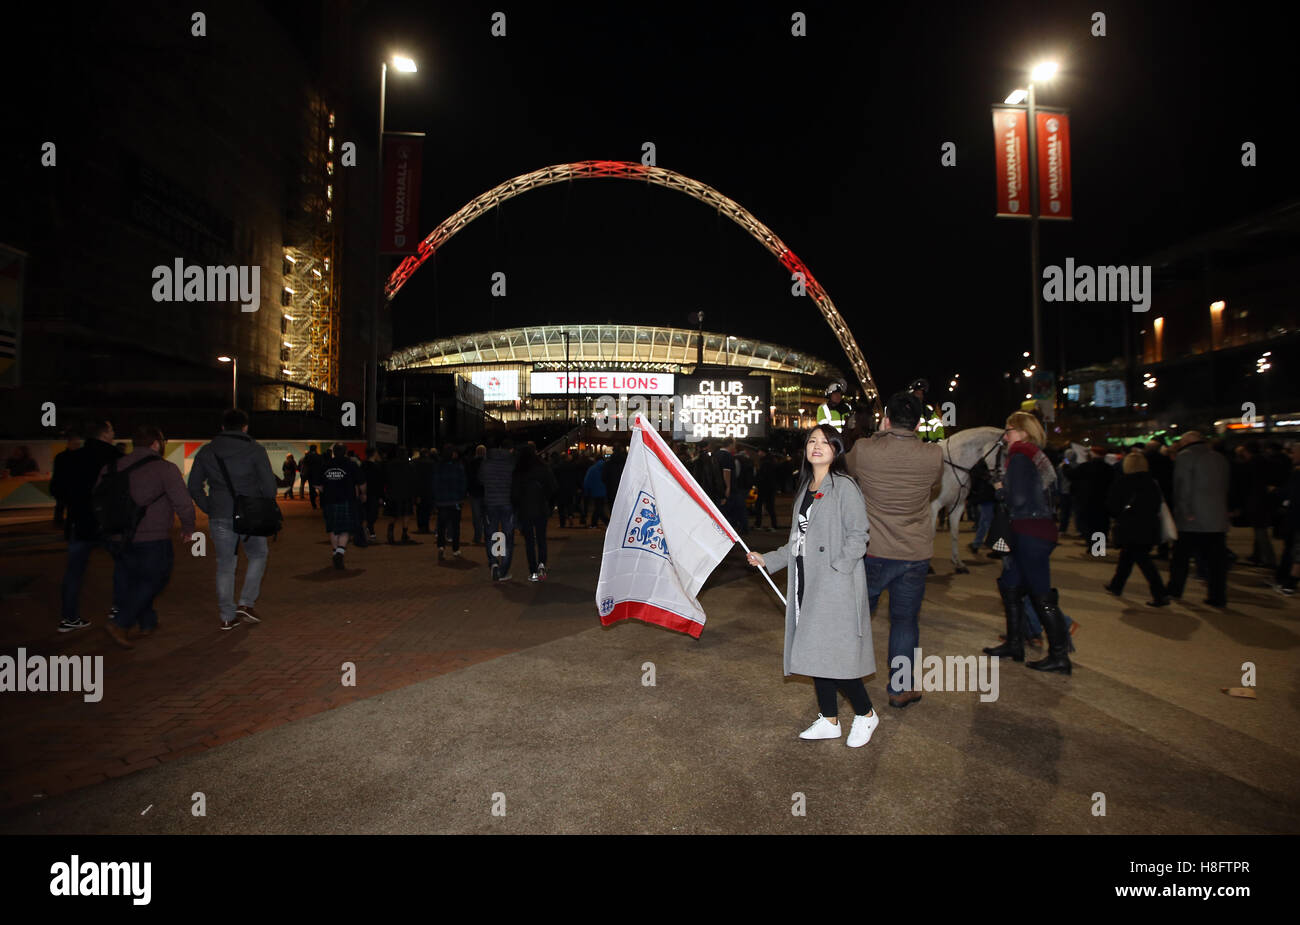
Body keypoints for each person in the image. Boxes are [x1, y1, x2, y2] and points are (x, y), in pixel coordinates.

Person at [746, 425, 878, 747]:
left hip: (835, 584)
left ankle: (866, 713)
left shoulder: (844, 486)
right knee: (816, 650)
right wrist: (770, 559)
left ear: (836, 450)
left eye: (824, 442)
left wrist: (839, 568)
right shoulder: (806, 486)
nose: (816, 446)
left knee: (838, 655)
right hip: (806, 581)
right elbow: (797, 539)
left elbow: (859, 533)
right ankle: (829, 719)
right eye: (811, 441)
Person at [845, 390, 944, 707]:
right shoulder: (933, 455)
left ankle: (844, 675)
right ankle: (901, 688)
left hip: (872, 550)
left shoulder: (865, 449)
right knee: (905, 622)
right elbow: (934, 486)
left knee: (858, 617)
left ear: (886, 419)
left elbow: (848, 472)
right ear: (917, 425)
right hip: (914, 554)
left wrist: (879, 434)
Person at [982, 411, 1069, 673]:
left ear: (1022, 431)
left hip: (1029, 531)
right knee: (1011, 586)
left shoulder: (1019, 456)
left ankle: (1059, 655)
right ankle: (1014, 643)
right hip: (1036, 530)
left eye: (1008, 430)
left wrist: (1000, 489)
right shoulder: (1035, 455)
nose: (1005, 436)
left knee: (1041, 594)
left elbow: (1017, 500)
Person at [99, 425, 196, 648]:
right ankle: (120, 622)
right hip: (151, 536)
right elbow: (183, 502)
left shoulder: (112, 467)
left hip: (117, 535)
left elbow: (99, 499)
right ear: (156, 444)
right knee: (155, 577)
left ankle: (147, 621)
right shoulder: (164, 468)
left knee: (132, 578)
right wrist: (188, 527)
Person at [186, 408, 278, 630]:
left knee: (225, 564)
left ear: (222, 427)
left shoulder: (207, 451)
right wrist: (262, 501)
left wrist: (209, 506)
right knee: (258, 555)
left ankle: (227, 615)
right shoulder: (255, 450)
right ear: (245, 427)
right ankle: (246, 603)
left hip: (220, 513)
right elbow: (270, 487)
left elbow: (194, 486)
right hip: (250, 513)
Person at [55, 420, 123, 633]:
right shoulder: (116, 458)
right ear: (104, 434)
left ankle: (69, 617)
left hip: (80, 521)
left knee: (74, 571)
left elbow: (57, 489)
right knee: (124, 565)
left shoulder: (70, 459)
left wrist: (76, 505)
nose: (114, 433)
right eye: (112, 430)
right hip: (110, 524)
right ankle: (119, 609)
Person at [1166, 430, 1230, 607]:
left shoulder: (1185, 456)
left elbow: (1182, 486)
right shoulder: (1219, 457)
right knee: (1216, 562)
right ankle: (1218, 596)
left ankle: (1174, 590)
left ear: (1187, 441)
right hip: (1217, 517)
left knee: (1181, 558)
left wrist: (1184, 510)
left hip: (1193, 518)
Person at [1103, 451, 1171, 606]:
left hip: (1130, 526)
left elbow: (1112, 506)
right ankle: (1116, 585)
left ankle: (1160, 593)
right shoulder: (1152, 483)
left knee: (1142, 561)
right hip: (1148, 526)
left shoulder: (1123, 482)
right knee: (1128, 557)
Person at [513, 444, 557, 581]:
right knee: (541, 538)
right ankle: (542, 565)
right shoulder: (543, 467)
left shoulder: (519, 470)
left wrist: (517, 506)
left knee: (529, 542)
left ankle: (532, 571)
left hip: (525, 510)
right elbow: (553, 487)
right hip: (540, 508)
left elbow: (514, 493)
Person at [320, 443, 364, 570]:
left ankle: (335, 553)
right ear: (345, 452)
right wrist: (363, 493)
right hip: (347, 500)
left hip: (329, 501)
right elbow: (361, 483)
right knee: (345, 529)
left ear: (333, 452)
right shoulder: (351, 465)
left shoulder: (325, 465)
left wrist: (327, 490)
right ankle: (340, 553)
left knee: (333, 529)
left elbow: (317, 485)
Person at [480, 437, 518, 580]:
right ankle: (503, 569)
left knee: (493, 534)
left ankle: (494, 563)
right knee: (507, 536)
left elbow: (481, 480)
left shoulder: (486, 463)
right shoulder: (511, 464)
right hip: (507, 502)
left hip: (490, 502)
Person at [433, 445, 468, 559]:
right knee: (455, 525)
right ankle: (455, 549)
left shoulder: (438, 467)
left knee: (441, 525)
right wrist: (462, 497)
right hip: (455, 500)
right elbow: (462, 483)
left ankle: (441, 546)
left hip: (442, 501)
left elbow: (435, 484)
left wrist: (436, 498)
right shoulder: (458, 467)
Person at [383, 446, 418, 545]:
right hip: (406, 493)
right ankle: (404, 533)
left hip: (392, 493)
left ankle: (390, 532)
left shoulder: (389, 465)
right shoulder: (410, 465)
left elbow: (386, 478)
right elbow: (413, 480)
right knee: (406, 514)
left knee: (393, 514)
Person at [50, 430, 85, 525]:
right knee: (62, 505)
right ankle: (61, 523)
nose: (77, 446)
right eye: (76, 443)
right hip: (65, 485)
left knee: (67, 507)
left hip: (68, 485)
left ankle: (64, 523)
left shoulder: (63, 456)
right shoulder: (63, 457)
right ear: (69, 443)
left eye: (78, 444)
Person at [968, 457, 996, 555]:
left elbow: (974, 481)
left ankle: (979, 544)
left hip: (987, 496)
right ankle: (979, 543)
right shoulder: (989, 464)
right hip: (990, 496)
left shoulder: (980, 465)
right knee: (986, 521)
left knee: (985, 522)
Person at [361, 447, 384, 541]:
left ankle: (368, 529)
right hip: (374, 493)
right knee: (373, 513)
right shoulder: (376, 467)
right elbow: (379, 482)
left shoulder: (363, 465)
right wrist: (381, 495)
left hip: (365, 492)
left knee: (367, 512)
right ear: (374, 454)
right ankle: (370, 530)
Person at [754, 448, 779, 531]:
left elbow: (763, 476)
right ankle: (773, 524)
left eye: (759, 451)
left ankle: (759, 524)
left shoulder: (765, 463)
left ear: (763, 452)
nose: (758, 453)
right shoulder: (771, 461)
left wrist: (758, 483)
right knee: (769, 506)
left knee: (761, 505)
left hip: (765, 487)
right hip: (770, 487)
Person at [414, 448, 437, 534]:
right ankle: (426, 526)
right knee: (427, 509)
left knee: (420, 509)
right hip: (429, 489)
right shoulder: (431, 463)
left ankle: (420, 527)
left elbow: (415, 477)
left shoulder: (416, 463)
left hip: (419, 489)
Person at [583, 454, 609, 528]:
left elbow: (587, 481)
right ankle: (594, 523)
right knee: (599, 507)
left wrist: (586, 490)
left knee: (598, 508)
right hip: (604, 490)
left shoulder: (592, 469)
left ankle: (604, 522)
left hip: (595, 491)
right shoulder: (606, 467)